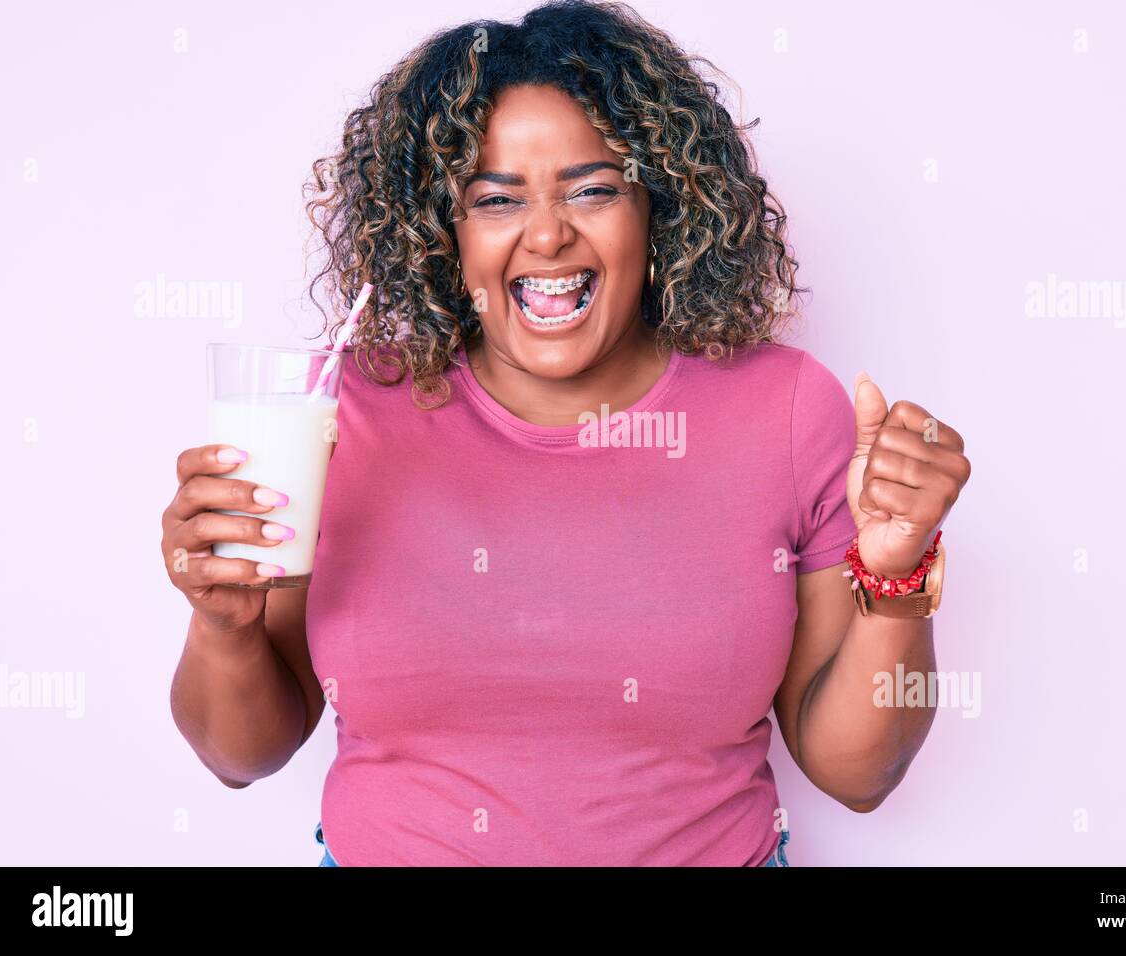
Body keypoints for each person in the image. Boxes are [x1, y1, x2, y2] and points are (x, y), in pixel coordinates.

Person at [163, 0, 971, 866]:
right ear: (445, 234)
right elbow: (240, 757)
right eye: (496, 199)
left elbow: (858, 775)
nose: (547, 234)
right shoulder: (342, 409)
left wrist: (895, 577)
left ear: (661, 206)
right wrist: (223, 623)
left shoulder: (784, 408)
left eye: (593, 189)